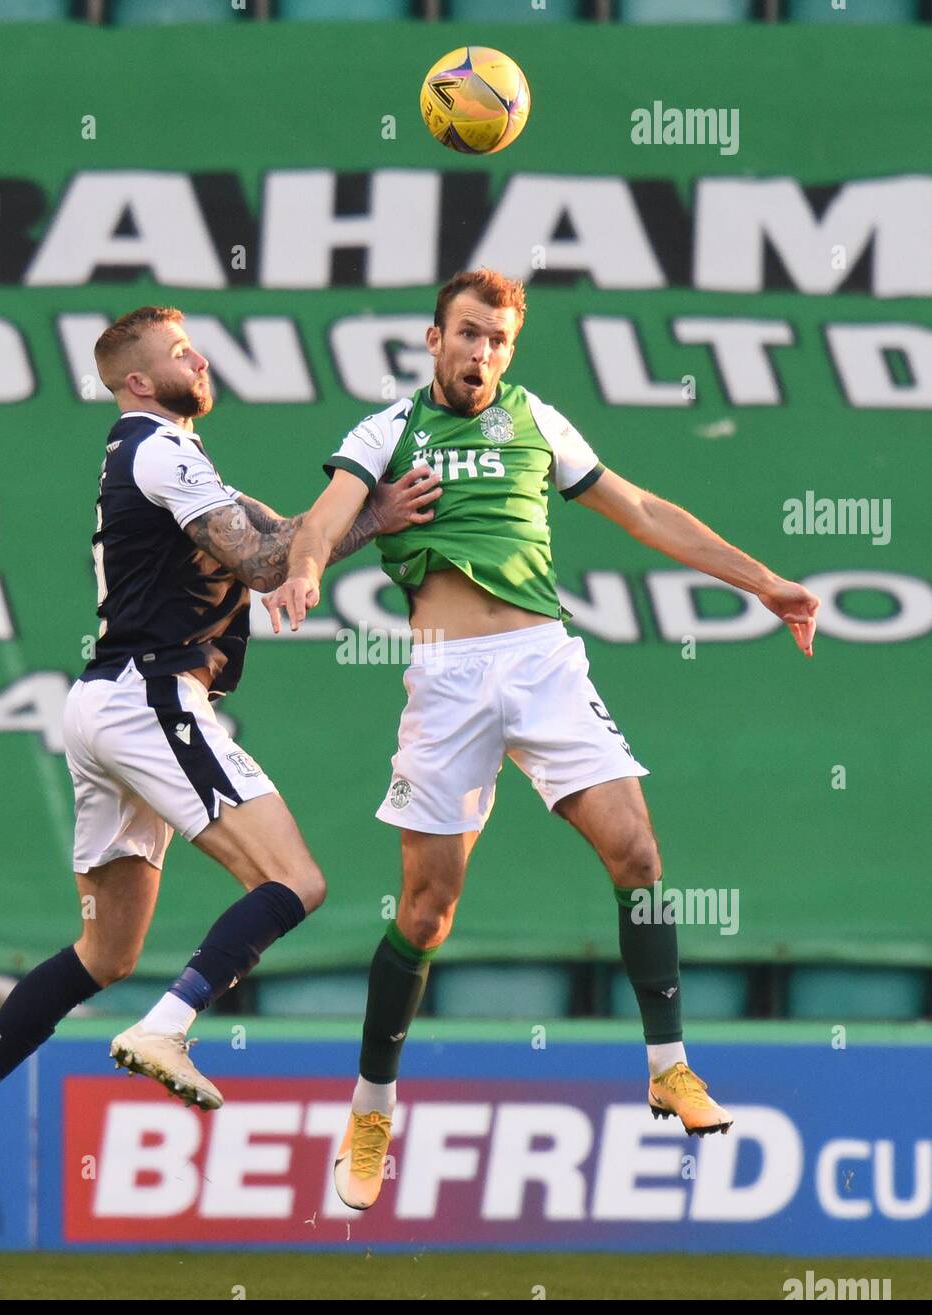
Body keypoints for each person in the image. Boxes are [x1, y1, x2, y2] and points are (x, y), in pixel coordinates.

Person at [265, 269, 820, 1211]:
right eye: (470, 334)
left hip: (543, 662)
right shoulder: (386, 429)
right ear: (433, 337)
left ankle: (669, 1065)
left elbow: (641, 509)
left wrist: (765, 583)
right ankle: (370, 1108)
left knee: (637, 852)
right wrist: (305, 570)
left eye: (499, 340)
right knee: (427, 912)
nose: (483, 353)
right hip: (446, 681)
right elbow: (320, 521)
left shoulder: (537, 421)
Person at [0, 305, 439, 1195]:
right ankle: (167, 1025)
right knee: (295, 882)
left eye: (195, 342)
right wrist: (365, 519)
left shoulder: (164, 457)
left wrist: (364, 516)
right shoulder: (160, 448)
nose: (199, 357)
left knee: (103, 955)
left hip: (104, 702)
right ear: (138, 381)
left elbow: (283, 540)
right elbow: (269, 565)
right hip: (153, 694)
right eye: (178, 351)